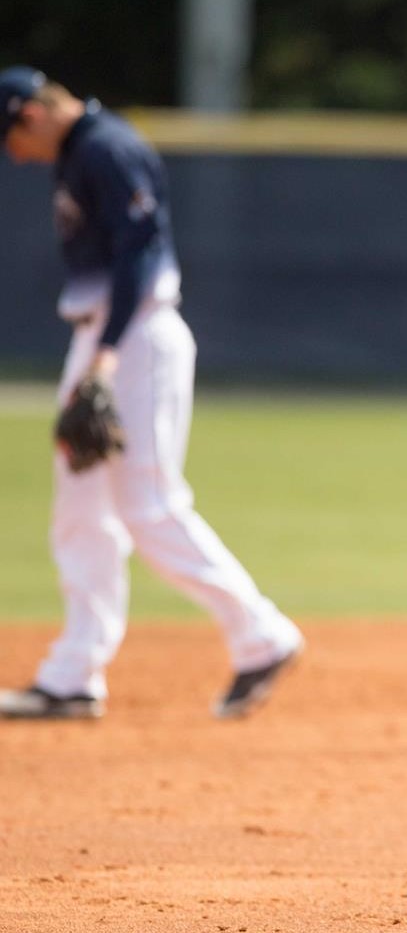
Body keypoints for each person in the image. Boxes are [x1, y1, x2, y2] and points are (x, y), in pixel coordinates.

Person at [0, 66, 304, 720]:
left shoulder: (107, 146)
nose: (14, 156)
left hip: (136, 339)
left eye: (10, 139)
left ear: (29, 114)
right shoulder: (82, 149)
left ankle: (262, 635)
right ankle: (73, 675)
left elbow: (141, 253)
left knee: (148, 503)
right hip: (104, 338)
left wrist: (105, 359)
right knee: (80, 506)